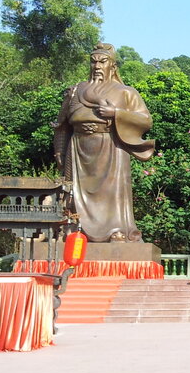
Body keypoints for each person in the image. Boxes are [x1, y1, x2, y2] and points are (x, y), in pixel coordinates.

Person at [53, 43, 154, 242]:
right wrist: (59, 152)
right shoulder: (76, 91)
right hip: (78, 147)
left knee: (111, 194)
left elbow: (146, 120)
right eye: (93, 61)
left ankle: (115, 229)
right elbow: (61, 125)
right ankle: (75, 228)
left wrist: (116, 113)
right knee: (73, 192)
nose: (97, 66)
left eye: (103, 61)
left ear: (113, 66)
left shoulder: (126, 92)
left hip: (110, 147)